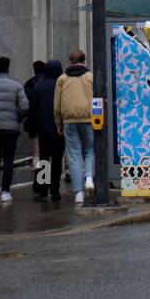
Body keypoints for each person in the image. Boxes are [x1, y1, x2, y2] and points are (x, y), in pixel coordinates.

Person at [54, 50, 96, 205]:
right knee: (90, 150)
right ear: (84, 61)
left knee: (73, 155)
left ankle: (78, 193)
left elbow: (56, 106)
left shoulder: (62, 79)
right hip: (89, 119)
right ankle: (89, 178)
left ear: (70, 61)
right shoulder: (91, 77)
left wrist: (58, 123)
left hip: (69, 121)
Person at [0, 56, 29, 203]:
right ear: (8, 69)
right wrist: (16, 118)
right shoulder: (16, 86)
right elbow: (25, 106)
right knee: (8, 160)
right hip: (11, 129)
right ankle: (6, 191)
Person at [28, 60, 64, 200]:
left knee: (44, 157)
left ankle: (43, 188)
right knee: (57, 159)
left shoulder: (39, 85)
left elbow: (33, 108)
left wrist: (32, 126)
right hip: (58, 127)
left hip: (43, 128)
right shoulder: (61, 84)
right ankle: (55, 189)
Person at [23, 60, 46, 196]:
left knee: (37, 154)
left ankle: (39, 179)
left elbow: (26, 105)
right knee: (46, 155)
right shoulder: (51, 83)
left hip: (36, 123)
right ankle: (43, 183)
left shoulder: (29, 84)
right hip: (48, 124)